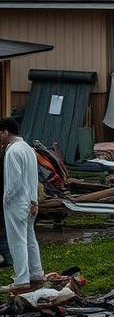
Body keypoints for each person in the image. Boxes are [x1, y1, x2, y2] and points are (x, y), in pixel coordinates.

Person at [0, 118, 42, 290]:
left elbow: (14, 182)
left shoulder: (13, 151)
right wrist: (34, 200)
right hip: (30, 201)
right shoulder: (28, 149)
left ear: (5, 132)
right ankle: (36, 273)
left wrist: (5, 198)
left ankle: (21, 279)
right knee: (30, 239)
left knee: (17, 241)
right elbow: (34, 178)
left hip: (16, 203)